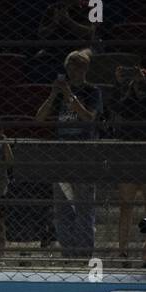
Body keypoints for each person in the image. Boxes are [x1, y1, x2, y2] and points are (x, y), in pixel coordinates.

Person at [34, 48, 101, 259]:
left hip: (84, 153)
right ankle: (68, 251)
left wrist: (69, 95)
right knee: (62, 207)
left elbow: (89, 117)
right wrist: (55, 94)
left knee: (83, 205)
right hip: (62, 154)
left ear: (86, 68)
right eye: (71, 66)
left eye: (78, 66)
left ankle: (84, 252)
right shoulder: (60, 92)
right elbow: (40, 118)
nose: (74, 70)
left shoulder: (92, 91)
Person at [111, 65, 146, 266]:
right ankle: (122, 251)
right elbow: (116, 106)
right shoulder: (127, 99)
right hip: (129, 158)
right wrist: (121, 84)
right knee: (126, 206)